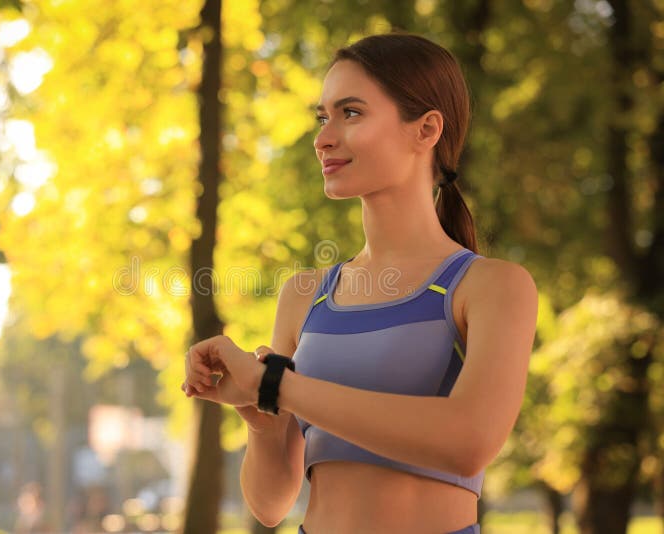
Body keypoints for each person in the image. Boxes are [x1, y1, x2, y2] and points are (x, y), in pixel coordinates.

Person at [182, 30, 537, 534]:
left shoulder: (491, 287)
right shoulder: (304, 295)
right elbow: (270, 504)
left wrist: (278, 386)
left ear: (426, 129)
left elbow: (468, 443)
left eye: (351, 113)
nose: (323, 137)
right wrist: (261, 417)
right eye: (323, 116)